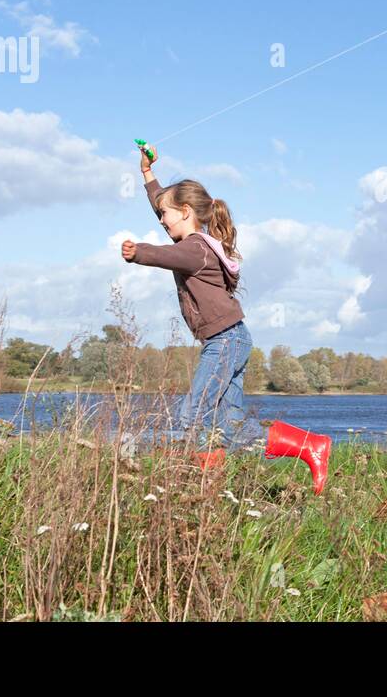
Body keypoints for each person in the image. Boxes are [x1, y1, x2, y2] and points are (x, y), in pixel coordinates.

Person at [121, 149, 331, 494]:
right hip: (232, 339)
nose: (160, 219)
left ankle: (189, 481)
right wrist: (147, 175)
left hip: (225, 342)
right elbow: (162, 203)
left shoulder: (194, 249)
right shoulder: (200, 242)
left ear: (186, 212)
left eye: (165, 215)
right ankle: (310, 446)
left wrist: (138, 252)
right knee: (228, 427)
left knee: (191, 415)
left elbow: (164, 255)